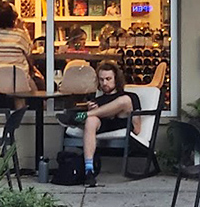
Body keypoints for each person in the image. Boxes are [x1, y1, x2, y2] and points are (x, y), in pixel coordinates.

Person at [57, 59, 139, 187]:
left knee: (124, 101)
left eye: (108, 79)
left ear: (116, 79)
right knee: (91, 120)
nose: (104, 83)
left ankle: (80, 116)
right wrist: (93, 111)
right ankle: (89, 171)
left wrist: (89, 113)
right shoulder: (97, 100)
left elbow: (137, 128)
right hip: (104, 126)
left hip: (123, 124)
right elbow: (95, 123)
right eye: (101, 80)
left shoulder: (131, 96)